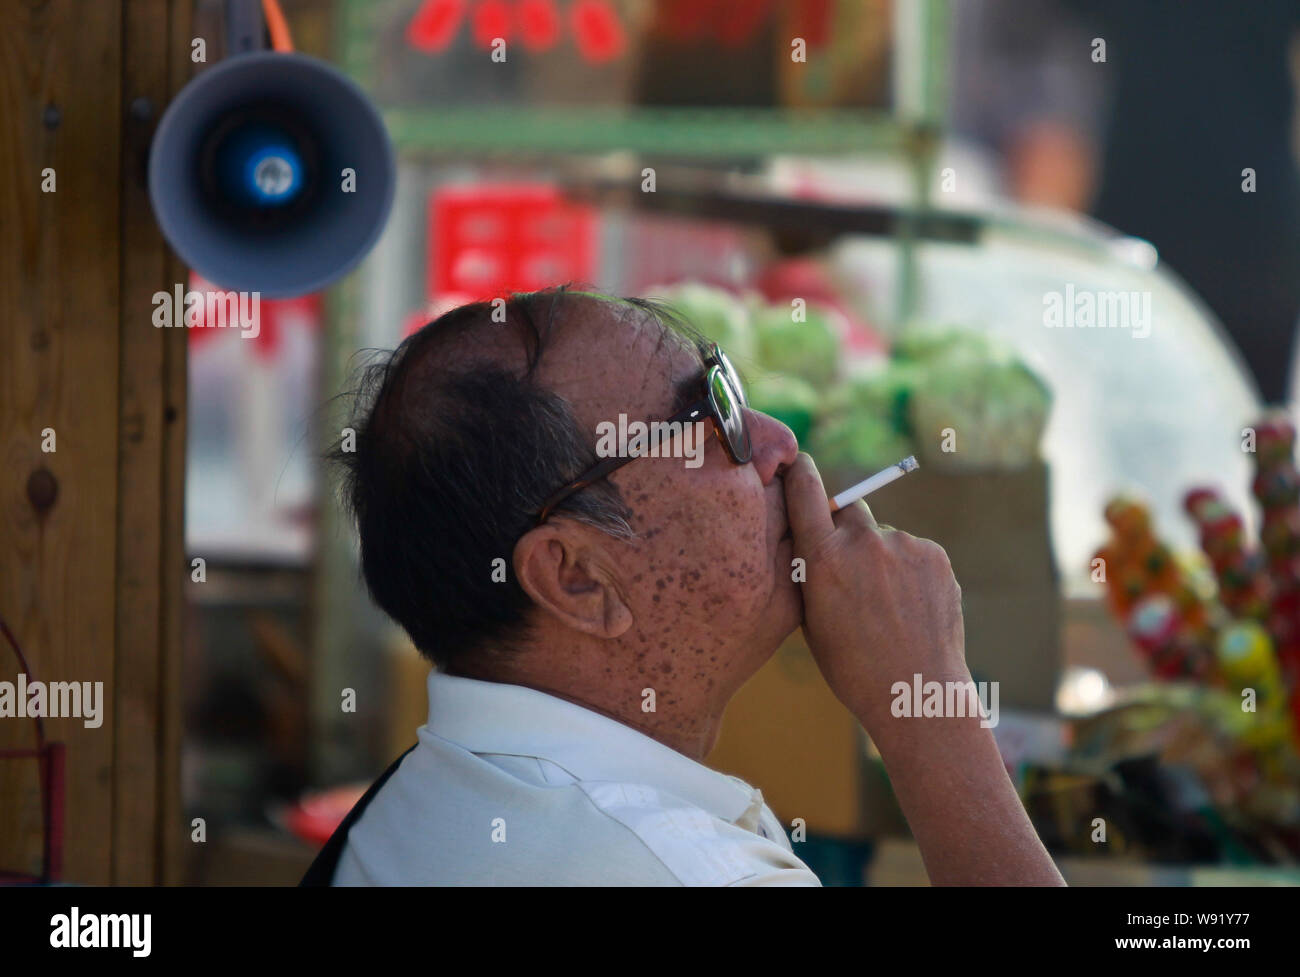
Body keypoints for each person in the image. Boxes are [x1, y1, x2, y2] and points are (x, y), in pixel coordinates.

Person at [305, 287, 1064, 886]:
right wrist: (929, 709)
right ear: (576, 577)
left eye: (729, 384)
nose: (778, 443)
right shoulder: (689, 871)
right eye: (713, 416)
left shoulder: (411, 810)